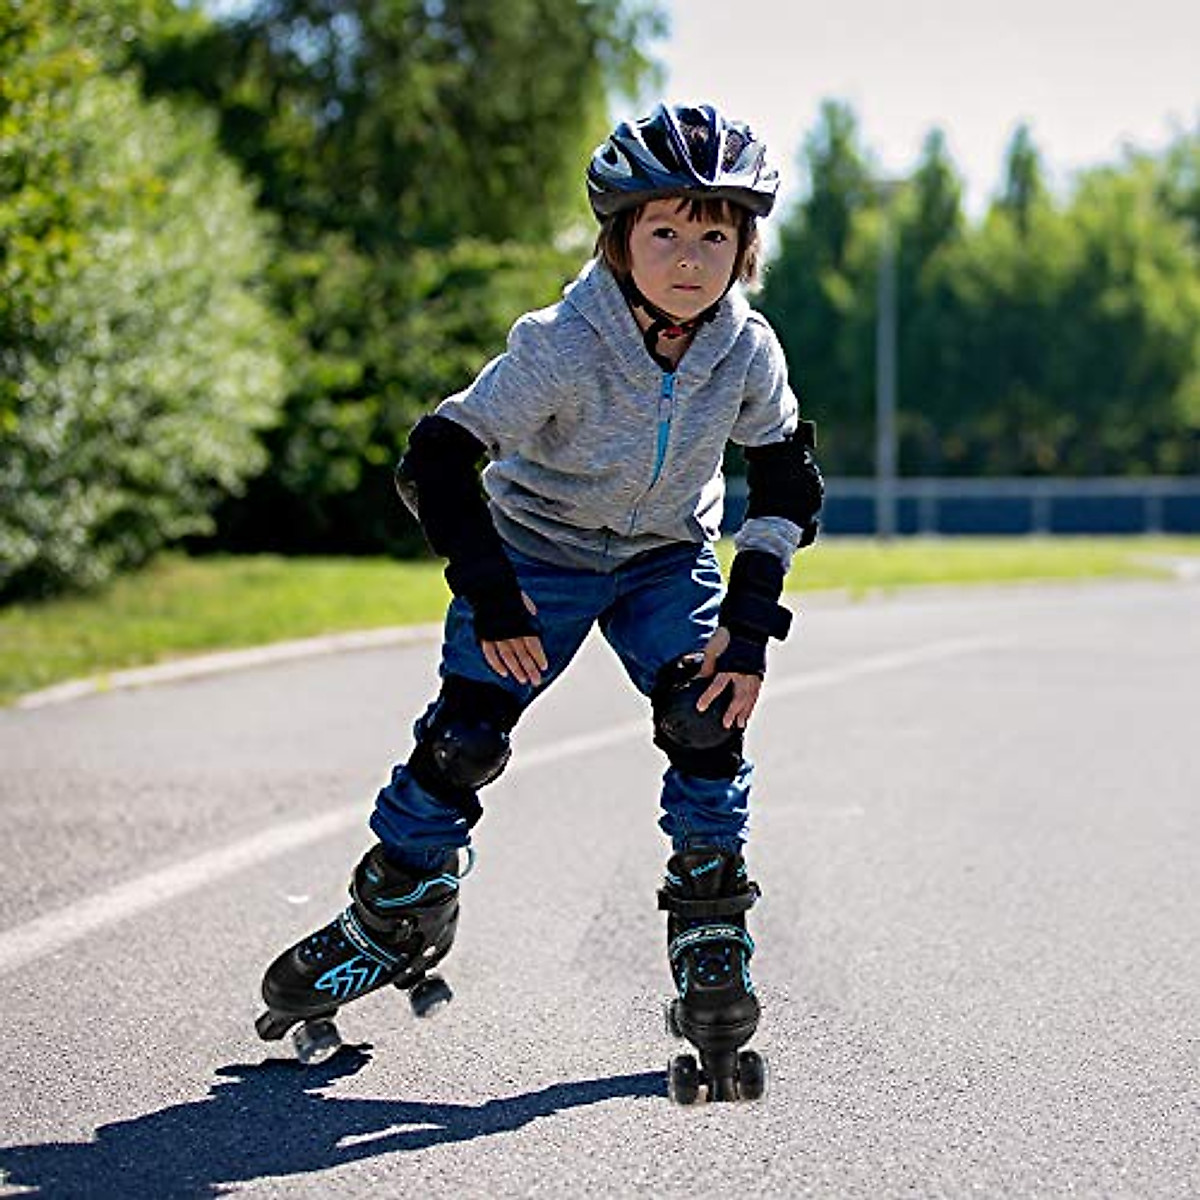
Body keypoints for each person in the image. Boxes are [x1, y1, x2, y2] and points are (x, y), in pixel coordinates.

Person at [256, 103, 824, 1100]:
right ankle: (399, 908)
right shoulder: (564, 344)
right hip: (534, 558)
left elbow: (784, 484)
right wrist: (495, 597)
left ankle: (710, 922)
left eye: (714, 237)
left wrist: (748, 629)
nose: (689, 260)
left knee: (706, 715)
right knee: (465, 738)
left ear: (745, 248)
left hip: (664, 558)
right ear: (619, 238)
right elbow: (437, 458)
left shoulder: (747, 350)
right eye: (664, 232)